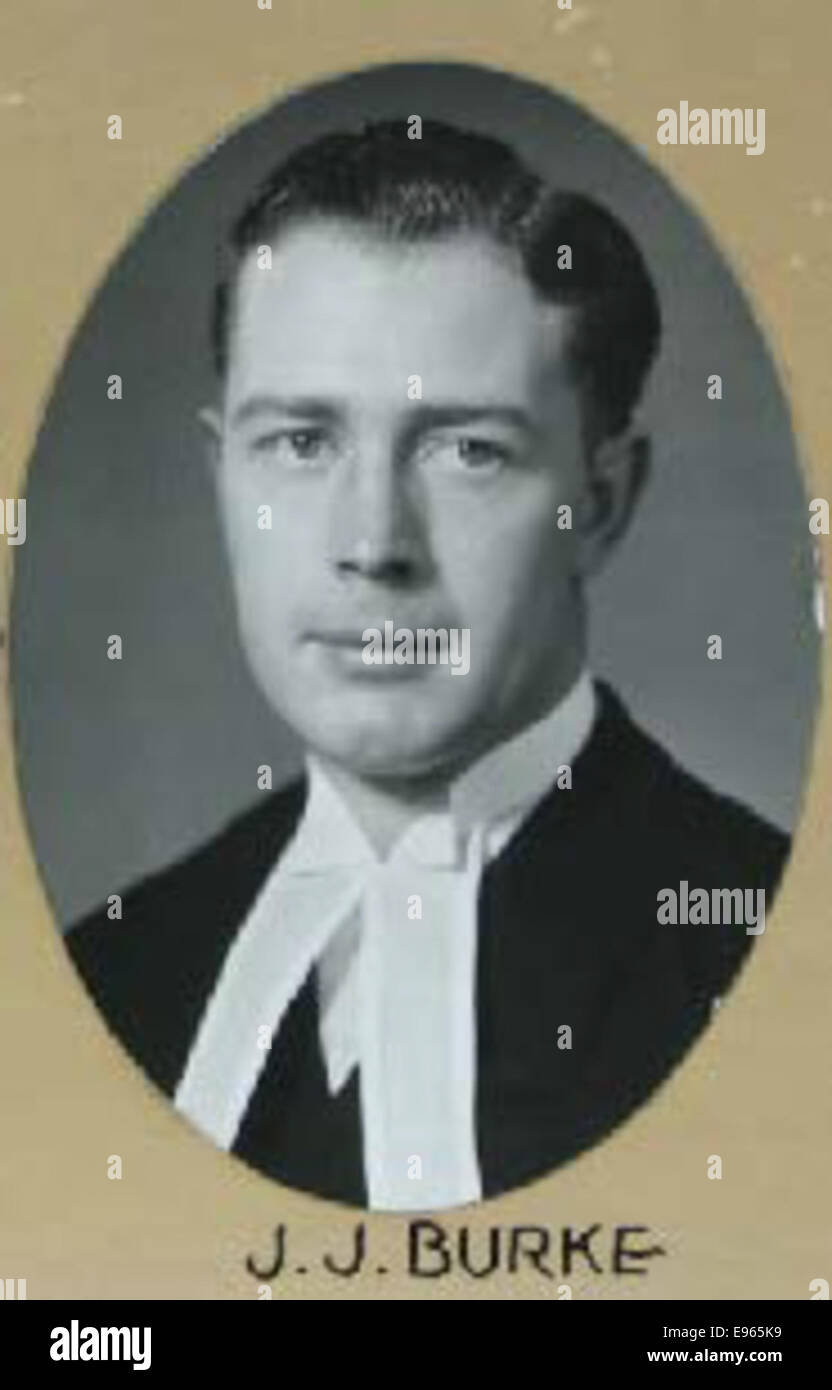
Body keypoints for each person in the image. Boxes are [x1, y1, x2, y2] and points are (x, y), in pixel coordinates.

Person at [67, 118, 788, 1210]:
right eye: (302, 442)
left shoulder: (776, 955)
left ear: (598, 503)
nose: (372, 543)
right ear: (224, 477)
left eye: (468, 451)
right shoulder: (114, 972)